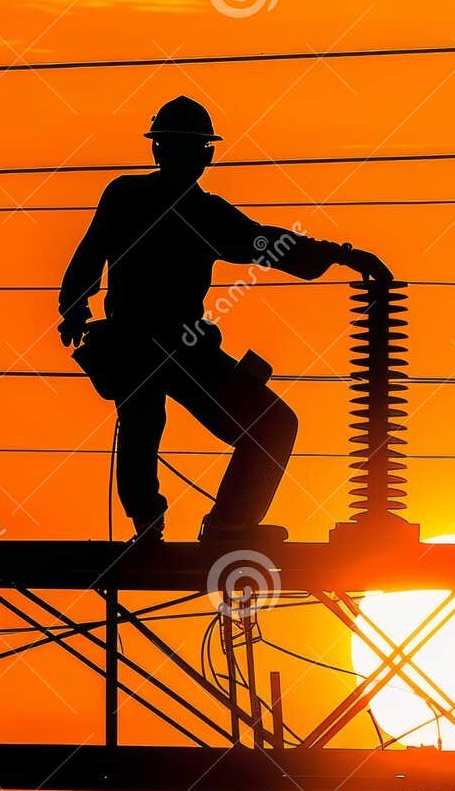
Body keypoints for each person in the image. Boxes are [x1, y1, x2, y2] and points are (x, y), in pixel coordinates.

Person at [58, 96, 393, 544]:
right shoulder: (185, 209)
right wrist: (339, 255)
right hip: (164, 346)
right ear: (201, 153)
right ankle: (216, 525)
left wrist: (75, 308)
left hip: (156, 346)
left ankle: (167, 524)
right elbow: (261, 243)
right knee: (255, 425)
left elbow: (260, 242)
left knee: (151, 420)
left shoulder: (142, 200)